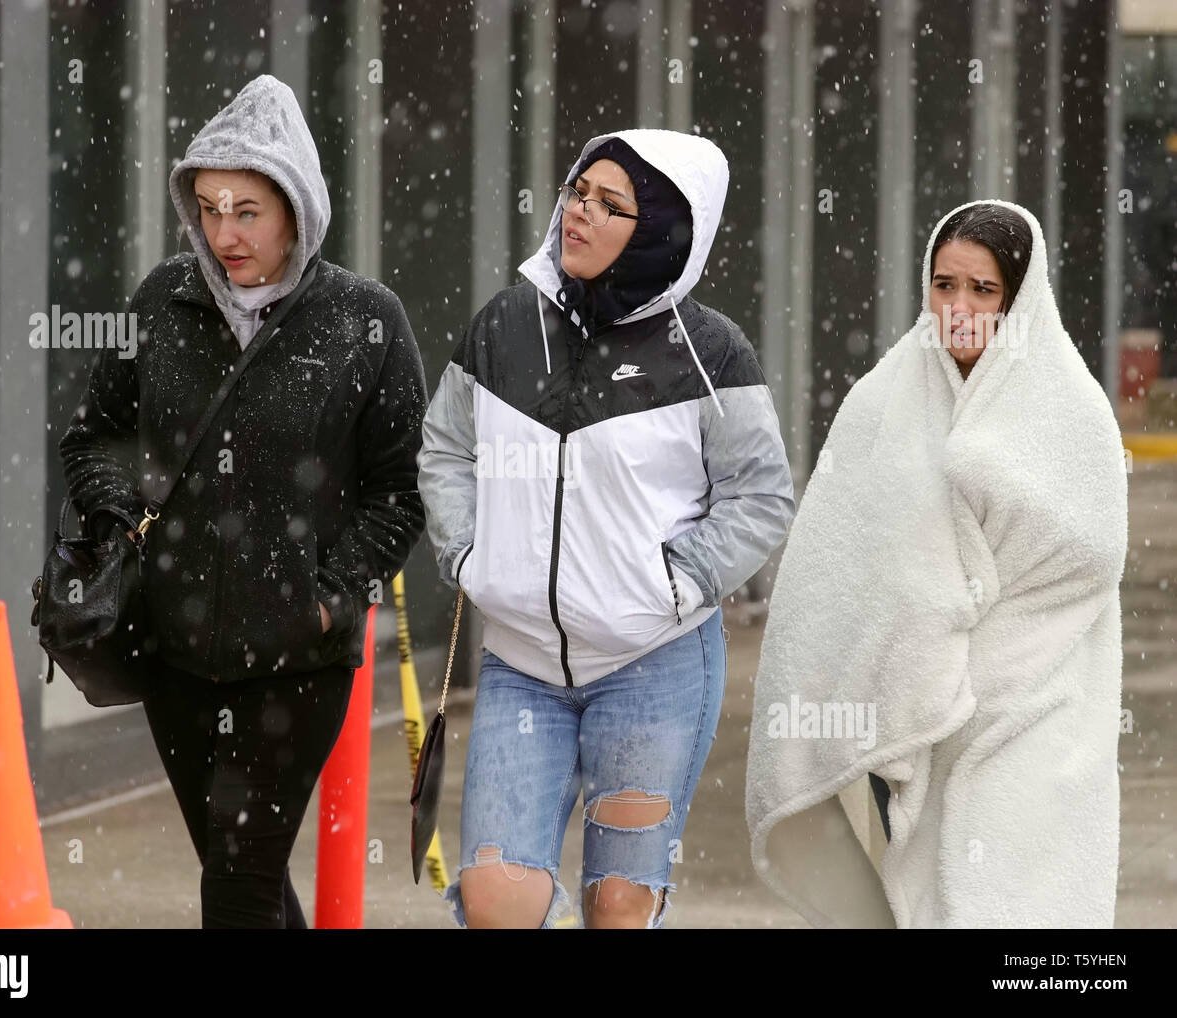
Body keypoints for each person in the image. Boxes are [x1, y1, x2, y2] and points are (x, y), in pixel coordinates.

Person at [59, 75, 428, 928]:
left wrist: (329, 599)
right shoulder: (162, 301)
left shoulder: (364, 320)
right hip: (174, 651)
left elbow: (400, 489)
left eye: (248, 211)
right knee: (246, 882)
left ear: (296, 208)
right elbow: (94, 435)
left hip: (296, 665)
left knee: (236, 881)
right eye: (210, 207)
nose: (224, 233)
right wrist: (121, 528)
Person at [418, 129, 795, 929]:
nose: (578, 214)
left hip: (652, 666)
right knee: (494, 899)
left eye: (610, 205)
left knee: (617, 906)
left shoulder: (711, 353)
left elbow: (761, 495)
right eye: (577, 193)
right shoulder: (505, 325)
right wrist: (467, 554)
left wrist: (674, 583)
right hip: (521, 667)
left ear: (660, 231)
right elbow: (447, 446)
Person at [745, 200, 1129, 928]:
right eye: (944, 285)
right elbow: (834, 570)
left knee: (1018, 905)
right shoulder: (880, 406)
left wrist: (978, 656)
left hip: (1038, 710)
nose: (959, 308)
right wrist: (913, 655)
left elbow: (1085, 567)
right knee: (922, 905)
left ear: (1019, 299)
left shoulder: (1072, 414)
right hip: (913, 720)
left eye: (983, 291)